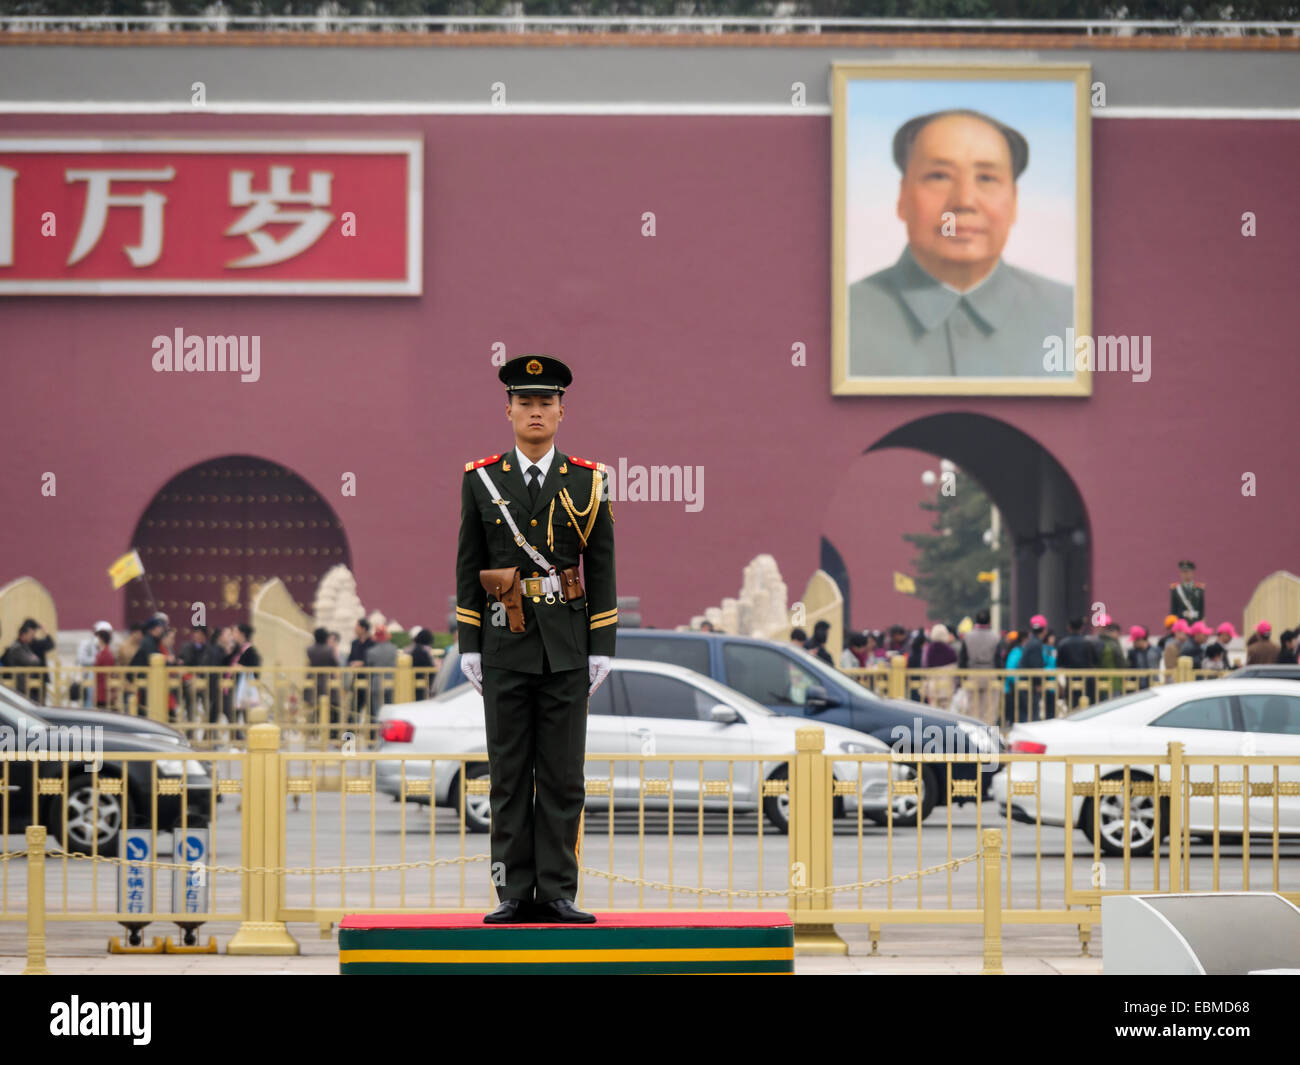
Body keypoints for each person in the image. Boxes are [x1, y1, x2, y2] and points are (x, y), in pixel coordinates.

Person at [455, 353, 616, 925]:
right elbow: (469, 563)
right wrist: (468, 645)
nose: (536, 412)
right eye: (525, 403)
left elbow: (600, 567)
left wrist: (603, 647)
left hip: (568, 646)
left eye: (546, 403)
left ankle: (556, 891)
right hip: (504, 644)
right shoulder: (481, 479)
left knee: (562, 775)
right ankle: (511, 891)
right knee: (507, 772)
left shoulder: (588, 480)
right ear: (509, 411)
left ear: (561, 412)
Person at [848, 109, 1074, 379]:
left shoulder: (1074, 316)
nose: (964, 202)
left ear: (1014, 202)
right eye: (939, 176)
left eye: (987, 178)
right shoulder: (841, 318)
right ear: (902, 197)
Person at [959, 608, 999, 723]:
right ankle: (989, 736)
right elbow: (998, 659)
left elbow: (962, 659)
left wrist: (963, 677)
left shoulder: (968, 636)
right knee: (990, 710)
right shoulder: (995, 637)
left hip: (973, 674)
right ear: (989, 621)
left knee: (973, 708)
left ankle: (973, 737)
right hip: (990, 674)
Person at [1055, 616, 1097, 709]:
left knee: (1072, 709)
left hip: (1071, 681)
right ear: (1082, 627)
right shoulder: (1089, 643)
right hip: (1088, 681)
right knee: (1089, 709)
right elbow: (1095, 661)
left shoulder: (1063, 643)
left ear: (1069, 627)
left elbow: (1059, 665)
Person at [307, 626, 340, 739]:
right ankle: (333, 734)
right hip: (328, 681)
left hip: (314, 681)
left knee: (316, 708)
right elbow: (335, 663)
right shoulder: (329, 649)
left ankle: (314, 733)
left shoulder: (309, 649)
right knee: (333, 707)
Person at [347, 618, 375, 722]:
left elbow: (373, 661)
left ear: (363, 629)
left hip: (370, 680)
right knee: (354, 710)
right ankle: (349, 737)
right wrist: (352, 663)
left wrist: (362, 663)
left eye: (357, 626)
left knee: (372, 711)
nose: (355, 628)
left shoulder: (372, 643)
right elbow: (350, 658)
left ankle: (372, 737)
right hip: (356, 680)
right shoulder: (354, 643)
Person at [366, 624, 399, 712]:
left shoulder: (371, 652)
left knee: (378, 711)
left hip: (377, 682)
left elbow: (369, 666)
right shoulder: (394, 649)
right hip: (392, 681)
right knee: (391, 709)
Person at [1170, 560, 1205, 624]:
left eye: (1187, 572)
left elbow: (1201, 610)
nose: (1185, 574)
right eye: (1183, 572)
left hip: (1195, 623)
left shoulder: (1199, 589)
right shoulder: (1176, 589)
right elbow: (1173, 610)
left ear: (1192, 573)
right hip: (1181, 624)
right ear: (1180, 574)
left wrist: (1201, 623)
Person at [93, 626, 117, 708]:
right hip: (100, 688)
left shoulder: (107, 654)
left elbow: (109, 673)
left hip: (104, 691)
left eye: (98, 637)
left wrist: (111, 692)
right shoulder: (101, 652)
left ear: (102, 639)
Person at [410, 628, 437, 701]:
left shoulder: (414, 650)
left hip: (413, 682)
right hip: (422, 683)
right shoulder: (423, 652)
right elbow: (431, 668)